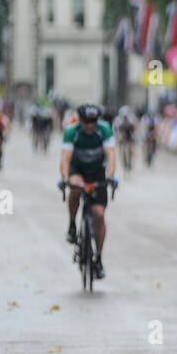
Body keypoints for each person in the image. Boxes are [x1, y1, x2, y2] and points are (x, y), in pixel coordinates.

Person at [60, 104, 117, 279]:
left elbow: (111, 155)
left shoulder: (104, 130)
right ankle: (72, 223)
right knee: (75, 188)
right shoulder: (72, 132)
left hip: (98, 173)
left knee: (99, 214)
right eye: (86, 122)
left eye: (93, 121)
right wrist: (64, 178)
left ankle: (98, 258)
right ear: (80, 120)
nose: (90, 126)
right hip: (78, 170)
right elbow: (65, 158)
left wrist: (110, 176)